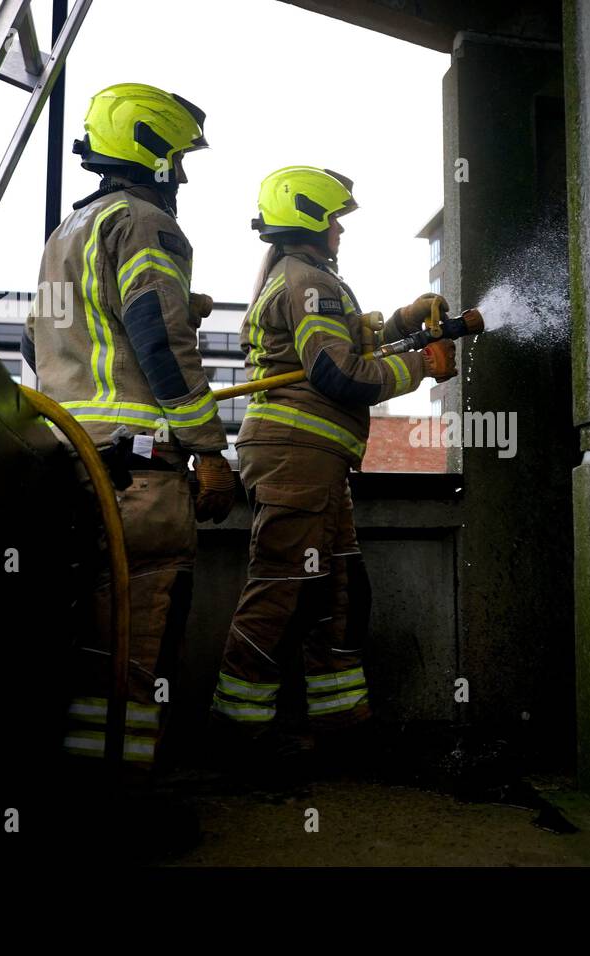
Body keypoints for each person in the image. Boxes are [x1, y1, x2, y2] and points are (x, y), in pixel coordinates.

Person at [23, 83, 237, 769]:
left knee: (89, 636)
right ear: (155, 154)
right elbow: (159, 341)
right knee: (142, 638)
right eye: (180, 158)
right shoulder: (146, 223)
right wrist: (209, 451)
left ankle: (84, 786)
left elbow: (39, 340)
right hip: (139, 476)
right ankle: (123, 796)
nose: (182, 176)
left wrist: (170, 305)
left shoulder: (68, 232)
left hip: (77, 466)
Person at [210, 165, 456, 759]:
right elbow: (337, 373)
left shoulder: (298, 276)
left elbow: (342, 347)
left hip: (314, 461)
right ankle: (239, 734)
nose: (341, 231)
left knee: (338, 591)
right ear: (311, 221)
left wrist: (404, 322)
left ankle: (341, 723)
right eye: (335, 221)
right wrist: (422, 365)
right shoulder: (309, 281)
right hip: (297, 458)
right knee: (283, 592)